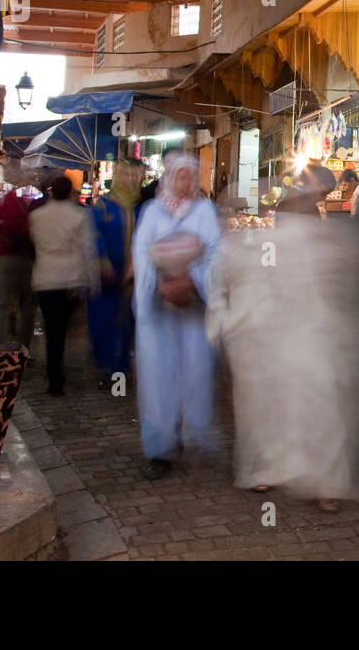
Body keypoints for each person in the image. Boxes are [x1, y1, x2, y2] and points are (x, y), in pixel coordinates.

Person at [208, 165, 359, 511]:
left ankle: (325, 482)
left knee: (320, 403)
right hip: (283, 326)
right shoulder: (285, 221)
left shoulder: (315, 226)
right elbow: (257, 267)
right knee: (272, 403)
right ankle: (270, 469)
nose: (320, 195)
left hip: (313, 326)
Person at [132, 152, 220, 480]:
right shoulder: (153, 211)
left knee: (195, 373)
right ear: (169, 177)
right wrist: (160, 284)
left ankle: (190, 435)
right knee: (158, 378)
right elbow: (141, 251)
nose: (185, 183)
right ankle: (159, 448)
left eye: (190, 177)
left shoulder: (205, 210)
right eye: (180, 176)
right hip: (159, 310)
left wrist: (192, 281)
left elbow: (215, 252)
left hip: (193, 308)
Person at [29, 176, 99, 396]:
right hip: (70, 278)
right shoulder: (79, 215)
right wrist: (93, 280)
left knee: (53, 329)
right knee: (62, 329)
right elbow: (88, 249)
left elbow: (33, 244)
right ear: (71, 193)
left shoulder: (36, 216)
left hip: (45, 277)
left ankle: (55, 375)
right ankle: (58, 374)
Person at [88, 159, 142, 388]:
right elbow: (93, 238)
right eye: (126, 175)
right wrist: (104, 266)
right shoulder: (102, 207)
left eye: (135, 175)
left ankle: (124, 365)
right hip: (107, 278)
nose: (130, 179)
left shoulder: (144, 206)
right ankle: (108, 367)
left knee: (130, 323)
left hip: (135, 279)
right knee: (105, 322)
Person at [0, 185, 37, 351]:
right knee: (26, 306)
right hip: (21, 260)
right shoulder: (16, 203)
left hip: (1, 260)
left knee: (0, 307)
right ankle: (22, 349)